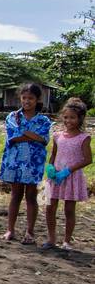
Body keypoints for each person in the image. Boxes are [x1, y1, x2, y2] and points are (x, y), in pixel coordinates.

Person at [0, 82, 50, 244]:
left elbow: (44, 140)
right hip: (15, 162)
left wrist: (26, 134)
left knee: (31, 196)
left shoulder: (44, 120)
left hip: (34, 163)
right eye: (24, 98)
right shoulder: (12, 117)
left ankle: (30, 232)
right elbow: (13, 137)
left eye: (31, 98)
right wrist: (34, 136)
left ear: (37, 100)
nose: (27, 101)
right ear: (20, 98)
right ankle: (10, 230)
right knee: (15, 195)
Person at [42, 97, 91, 250]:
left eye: (72, 117)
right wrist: (50, 167)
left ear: (80, 118)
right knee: (49, 207)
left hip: (71, 177)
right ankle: (51, 238)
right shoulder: (57, 136)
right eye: (66, 117)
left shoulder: (84, 138)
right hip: (55, 176)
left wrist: (69, 170)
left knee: (69, 209)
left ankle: (67, 241)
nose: (68, 120)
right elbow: (54, 154)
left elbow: (88, 159)